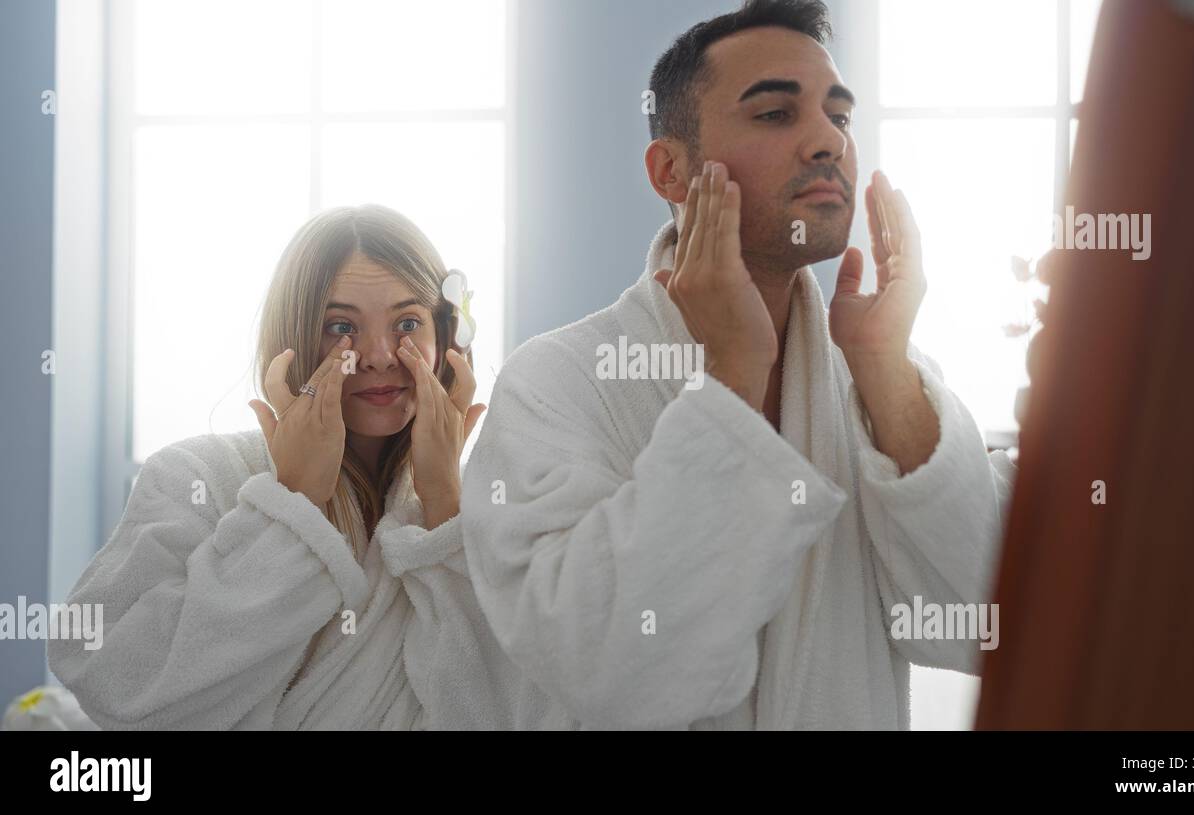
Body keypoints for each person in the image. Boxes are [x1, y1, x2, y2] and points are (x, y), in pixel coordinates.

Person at [461, 0, 1016, 729]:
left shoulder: (878, 383)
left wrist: (888, 378)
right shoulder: (557, 384)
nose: (828, 141)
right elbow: (608, 670)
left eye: (839, 116)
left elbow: (988, 623)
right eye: (775, 114)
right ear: (672, 170)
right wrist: (731, 380)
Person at [48, 204, 569, 729]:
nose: (378, 355)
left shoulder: (499, 506)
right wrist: (290, 507)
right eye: (340, 326)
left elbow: (520, 712)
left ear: (448, 339)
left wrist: (445, 510)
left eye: (407, 323)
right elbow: (114, 683)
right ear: (292, 339)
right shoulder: (196, 477)